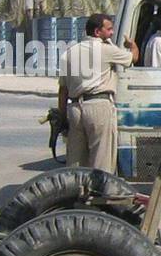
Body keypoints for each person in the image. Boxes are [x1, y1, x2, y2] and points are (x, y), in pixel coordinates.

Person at [58, 13, 138, 174]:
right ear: (97, 32)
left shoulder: (69, 53)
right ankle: (101, 194)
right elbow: (133, 58)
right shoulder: (106, 50)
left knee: (76, 160)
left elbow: (63, 91)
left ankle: (76, 193)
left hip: (75, 109)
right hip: (98, 107)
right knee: (102, 159)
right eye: (108, 30)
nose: (112, 33)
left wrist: (62, 118)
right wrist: (132, 45)